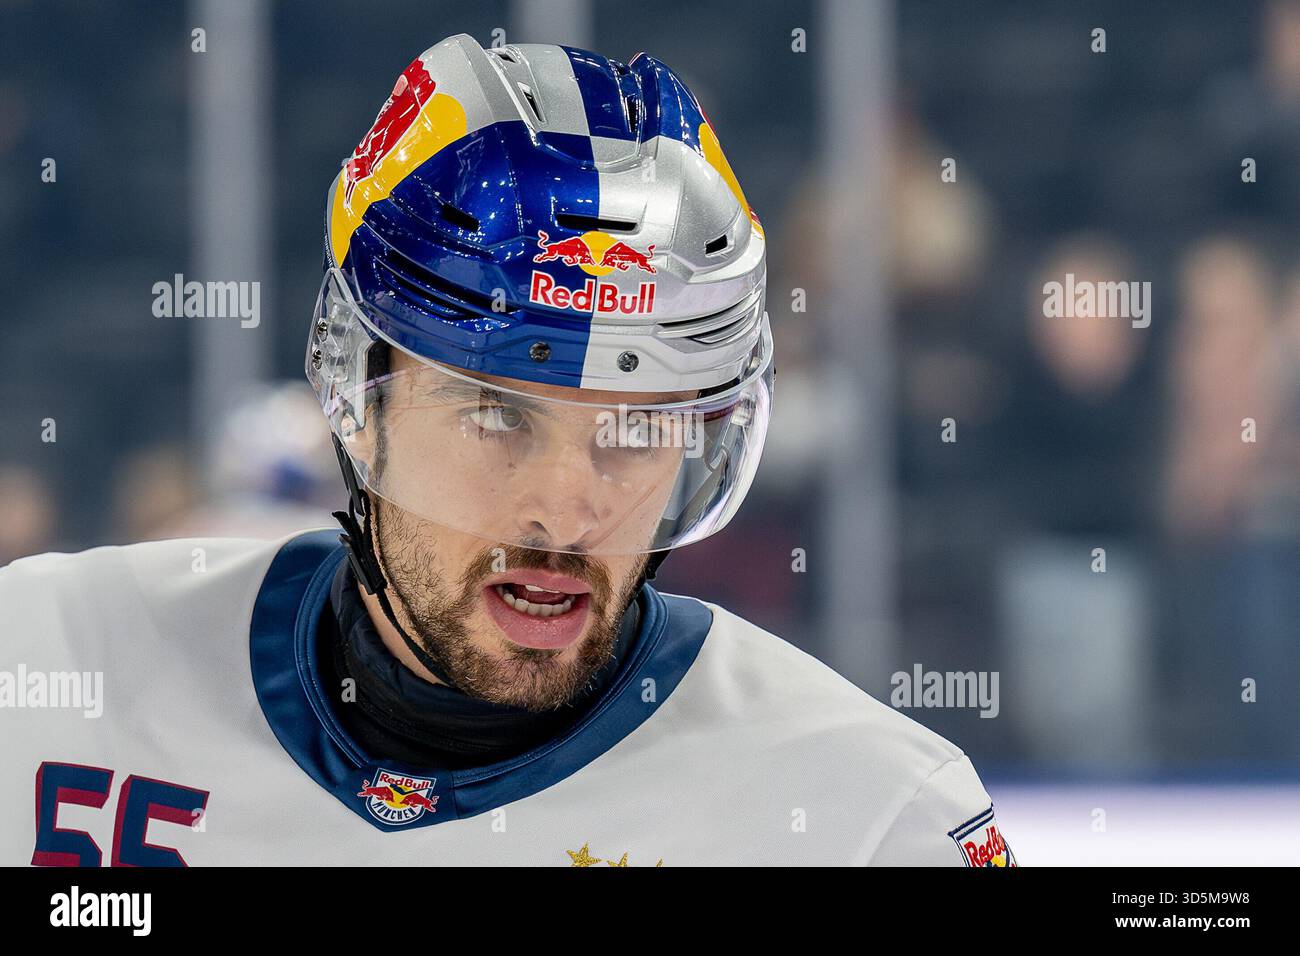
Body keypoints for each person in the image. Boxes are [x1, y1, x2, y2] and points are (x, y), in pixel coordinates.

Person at [1, 34, 1012, 866]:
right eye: (495, 413)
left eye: (633, 426)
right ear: (359, 391)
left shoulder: (863, 816)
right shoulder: (42, 670)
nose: (564, 510)